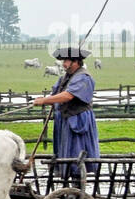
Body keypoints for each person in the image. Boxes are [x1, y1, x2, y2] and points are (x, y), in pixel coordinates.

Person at [32, 46, 99, 174]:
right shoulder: (65, 77)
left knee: (77, 150)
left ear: (76, 62)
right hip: (65, 119)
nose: (64, 64)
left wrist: (45, 100)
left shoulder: (83, 77)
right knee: (65, 151)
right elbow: (56, 93)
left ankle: (78, 179)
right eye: (63, 61)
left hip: (78, 119)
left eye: (66, 60)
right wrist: (49, 100)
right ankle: (67, 176)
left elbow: (68, 95)